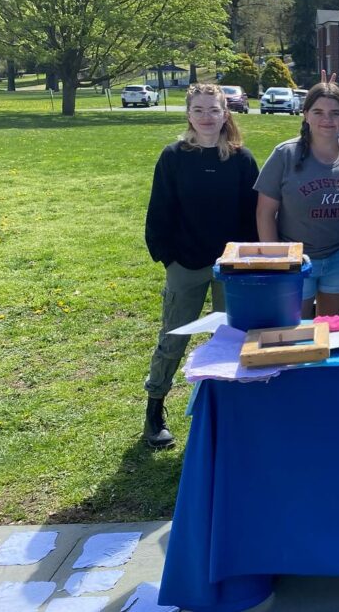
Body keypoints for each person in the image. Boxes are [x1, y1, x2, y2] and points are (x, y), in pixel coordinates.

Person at [143, 83, 259, 448]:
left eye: (214, 110)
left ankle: (227, 409)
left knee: (229, 340)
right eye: (199, 110)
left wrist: (246, 260)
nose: (206, 117)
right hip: (186, 264)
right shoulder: (173, 157)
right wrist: (169, 258)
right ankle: (154, 408)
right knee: (173, 337)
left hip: (231, 267)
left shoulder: (241, 160)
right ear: (188, 114)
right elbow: (159, 212)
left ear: (226, 114)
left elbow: (252, 216)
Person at [256, 81, 339, 319]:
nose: (327, 119)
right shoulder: (285, 154)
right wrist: (276, 260)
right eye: (318, 112)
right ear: (305, 115)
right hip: (295, 258)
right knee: (295, 330)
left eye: (335, 112)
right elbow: (265, 213)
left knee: (329, 329)